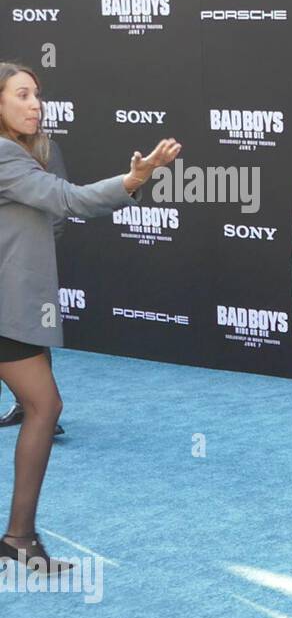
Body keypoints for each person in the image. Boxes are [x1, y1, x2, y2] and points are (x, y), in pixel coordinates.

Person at [0, 62, 179, 573]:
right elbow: (69, 200)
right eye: (22, 95)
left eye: (37, 94)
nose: (35, 104)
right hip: (5, 311)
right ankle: (19, 538)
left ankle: (20, 537)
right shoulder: (6, 155)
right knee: (44, 406)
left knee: (43, 405)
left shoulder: (18, 154)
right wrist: (135, 177)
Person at [0, 138, 70, 436]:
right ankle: (22, 402)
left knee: (36, 332)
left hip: (31, 262)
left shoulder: (45, 147)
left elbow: (60, 203)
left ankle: (42, 411)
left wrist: (39, 248)